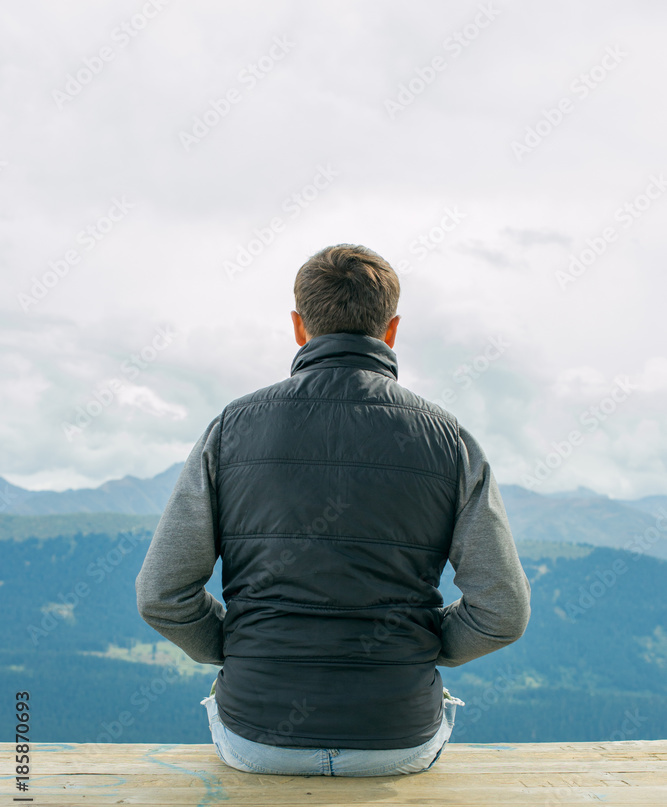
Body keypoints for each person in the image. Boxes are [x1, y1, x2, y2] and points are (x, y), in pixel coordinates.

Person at [136, 244, 531, 777]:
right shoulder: (448, 438)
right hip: (399, 740)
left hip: (256, 738)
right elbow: (504, 611)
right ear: (391, 331)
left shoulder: (231, 428)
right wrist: (419, 641)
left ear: (299, 327)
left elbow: (161, 595)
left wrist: (239, 644)